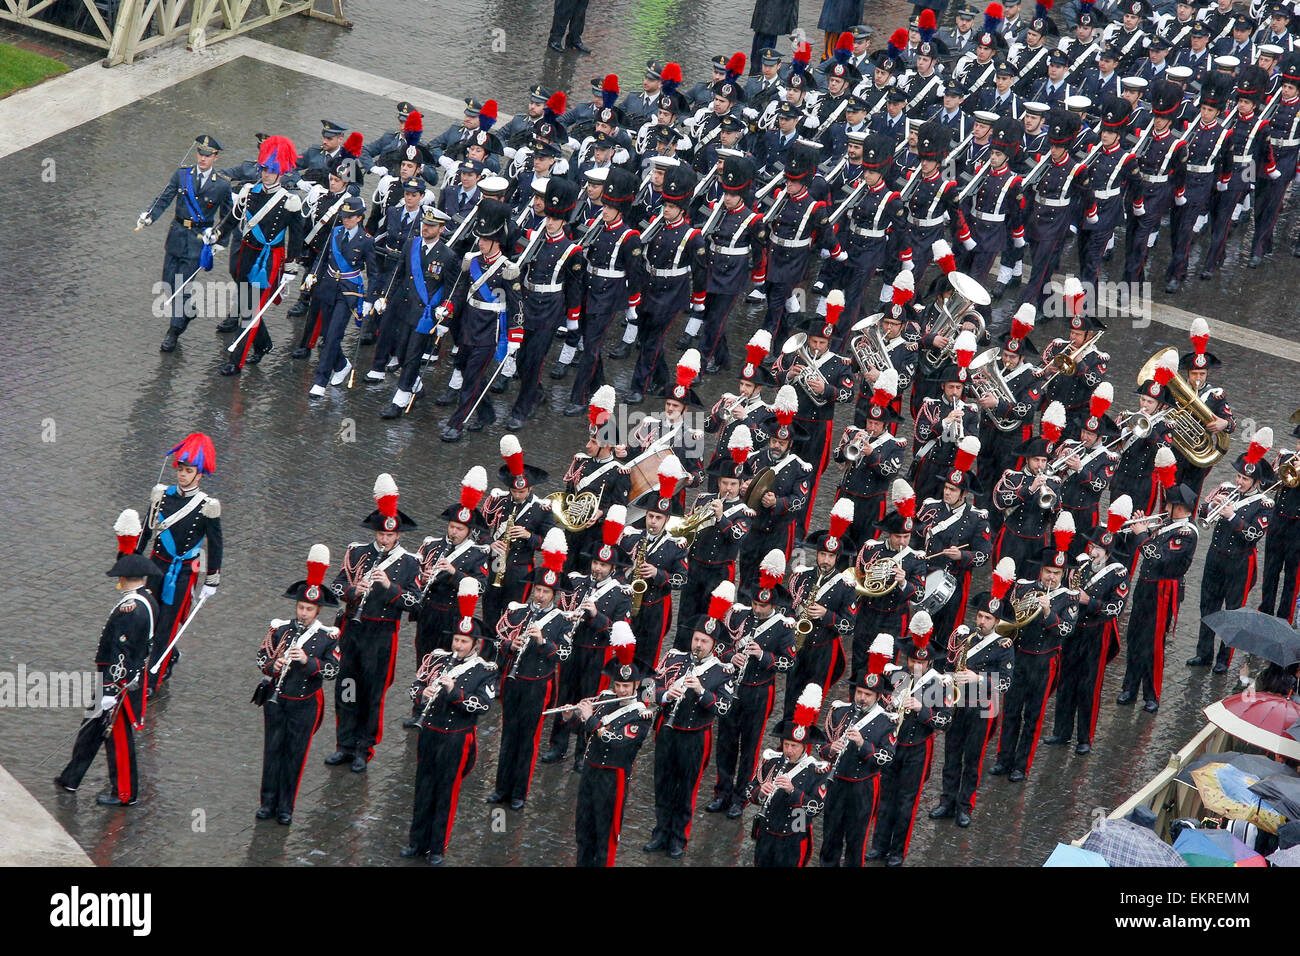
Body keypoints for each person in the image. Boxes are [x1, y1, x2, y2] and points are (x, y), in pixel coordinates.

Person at [324, 474, 423, 772]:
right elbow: (338, 585)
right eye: (381, 534)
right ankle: (343, 744)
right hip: (352, 630)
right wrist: (355, 591)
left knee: (372, 691)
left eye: (389, 536)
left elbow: (415, 601)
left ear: (398, 536)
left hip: (382, 635)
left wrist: (389, 587)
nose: (384, 539)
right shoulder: (357, 552)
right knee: (347, 687)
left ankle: (363, 749)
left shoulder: (408, 563)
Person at [55, 554, 158, 806]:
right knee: (91, 728)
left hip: (118, 682)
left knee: (118, 739)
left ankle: (124, 793)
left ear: (124, 579)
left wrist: (111, 689)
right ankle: (72, 777)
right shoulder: (148, 599)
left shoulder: (129, 610)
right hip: (122, 678)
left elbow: (120, 652)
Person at [402, 595, 498, 866]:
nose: (458, 645)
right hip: (430, 731)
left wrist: (453, 691)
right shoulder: (438, 660)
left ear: (475, 645)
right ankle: (416, 842)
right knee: (423, 787)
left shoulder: (484, 671)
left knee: (446, 790)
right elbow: (414, 687)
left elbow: (481, 705)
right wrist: (424, 694)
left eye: (464, 641)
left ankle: (437, 847)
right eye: (456, 639)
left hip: (456, 737)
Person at [252, 545, 341, 825]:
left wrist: (307, 661)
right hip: (277, 701)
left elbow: (332, 670)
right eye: (301, 608)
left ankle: (286, 807)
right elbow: (261, 656)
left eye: (309, 609)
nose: (303, 613)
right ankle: (267, 802)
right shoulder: (280, 630)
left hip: (305, 704)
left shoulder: (328, 638)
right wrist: (272, 666)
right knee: (273, 750)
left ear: (318, 611)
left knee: (295, 755)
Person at [707, 552, 797, 818]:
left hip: (759, 690)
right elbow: (719, 643)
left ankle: (741, 796)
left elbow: (789, 663)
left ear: (772, 606)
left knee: (749, 745)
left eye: (763, 607)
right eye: (756, 604)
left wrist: (763, 656)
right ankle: (721, 792)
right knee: (725, 741)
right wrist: (728, 656)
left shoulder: (783, 628)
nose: (758, 610)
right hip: (732, 686)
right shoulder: (737, 616)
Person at [542, 512, 633, 769]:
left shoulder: (620, 594)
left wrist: (596, 616)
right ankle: (557, 745)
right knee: (565, 697)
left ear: (612, 568)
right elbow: (560, 609)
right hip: (572, 649)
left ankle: (583, 752)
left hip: (596, 653)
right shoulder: (577, 583)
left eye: (603, 566)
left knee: (589, 701)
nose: (597, 568)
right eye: (595, 563)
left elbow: (620, 630)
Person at [490, 529, 573, 810]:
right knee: (508, 734)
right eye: (537, 590)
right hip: (513, 681)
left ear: (554, 594)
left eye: (546, 592)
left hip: (538, 683)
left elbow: (562, 654)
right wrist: (510, 646)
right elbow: (499, 638)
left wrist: (541, 641)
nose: (540, 595)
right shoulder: (519, 611)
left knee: (528, 738)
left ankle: (519, 792)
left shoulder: (562, 620)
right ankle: (501, 787)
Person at [646, 614, 737, 858]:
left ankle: (678, 838)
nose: (698, 645)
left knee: (686, 788)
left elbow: (724, 708)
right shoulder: (674, 657)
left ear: (714, 645)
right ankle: (660, 832)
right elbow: (648, 689)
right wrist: (665, 695)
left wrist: (701, 691)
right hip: (667, 731)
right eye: (696, 639)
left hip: (696, 736)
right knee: (662, 783)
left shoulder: (723, 671)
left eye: (704, 641)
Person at [211, 135, 304, 374]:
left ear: (281, 172)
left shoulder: (290, 201)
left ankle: (236, 362)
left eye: (272, 170)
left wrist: (291, 267)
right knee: (246, 305)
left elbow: (295, 237)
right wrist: (218, 233)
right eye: (264, 168)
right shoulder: (248, 192)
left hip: (269, 261)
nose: (266, 174)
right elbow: (233, 219)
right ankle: (263, 344)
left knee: (251, 310)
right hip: (246, 255)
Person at [138, 432, 223, 694]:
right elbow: (147, 531)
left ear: (199, 475)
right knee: (148, 618)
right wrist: (133, 558)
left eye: (189, 471)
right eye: (181, 469)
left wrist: (211, 579)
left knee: (167, 624)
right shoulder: (162, 495)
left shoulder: (207, 506)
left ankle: (152, 680)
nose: (183, 475)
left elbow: (216, 544)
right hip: (155, 566)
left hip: (183, 572)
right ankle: (163, 656)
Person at [138, 134, 233, 353]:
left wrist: (220, 239)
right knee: (168, 283)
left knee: (182, 286)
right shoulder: (182, 175)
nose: (202, 159)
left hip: (198, 240)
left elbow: (228, 217)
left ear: (215, 157)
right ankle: (188, 312)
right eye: (200, 153)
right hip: (176, 235)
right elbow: (165, 197)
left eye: (208, 155)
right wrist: (150, 216)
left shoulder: (221, 186)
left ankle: (173, 332)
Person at [868, 619, 951, 866]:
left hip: (917, 749)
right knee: (885, 797)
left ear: (928, 662)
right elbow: (875, 703)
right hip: (891, 745)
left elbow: (944, 721)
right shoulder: (894, 675)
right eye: (913, 661)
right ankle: (879, 845)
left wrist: (922, 709)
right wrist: (888, 704)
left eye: (921, 662)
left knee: (906, 802)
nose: (916, 666)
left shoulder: (939, 683)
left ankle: (897, 851)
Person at [572, 625, 654, 866]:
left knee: (605, 834)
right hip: (591, 769)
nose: (620, 690)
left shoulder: (641, 715)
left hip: (613, 777)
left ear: (635, 687)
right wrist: (573, 716)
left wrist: (591, 720)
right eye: (617, 684)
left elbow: (616, 740)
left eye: (626, 687)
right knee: (584, 829)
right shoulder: (606, 698)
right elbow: (584, 730)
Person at [1191, 432, 1274, 671]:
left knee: (1233, 612)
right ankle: (1203, 653)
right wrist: (1210, 506)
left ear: (1256, 482)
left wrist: (1232, 516)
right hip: (1215, 556)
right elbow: (1203, 515)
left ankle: (1223, 660)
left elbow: (1253, 535)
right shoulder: (1226, 489)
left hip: (1240, 562)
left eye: (1245, 479)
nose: (1239, 482)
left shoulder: (1264, 504)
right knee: (1208, 606)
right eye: (1238, 476)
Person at [931, 592, 1014, 828]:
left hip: (982, 707)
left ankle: (965, 806)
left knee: (973, 759)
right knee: (951, 755)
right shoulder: (965, 638)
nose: (982, 621)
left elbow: (1006, 682)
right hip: (958, 705)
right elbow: (948, 666)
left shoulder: (1004, 645)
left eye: (988, 618)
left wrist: (978, 678)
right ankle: (946, 801)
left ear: (997, 622)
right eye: (980, 616)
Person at [1045, 525, 1128, 754]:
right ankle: (1061, 732)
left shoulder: (1118, 572)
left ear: (1108, 552)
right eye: (1092, 545)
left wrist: (1088, 601)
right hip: (1073, 630)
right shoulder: (1080, 564)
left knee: (1089, 686)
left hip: (1096, 633)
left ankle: (1084, 739)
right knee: (1066, 679)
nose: (1094, 551)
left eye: (1099, 548)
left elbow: (1116, 607)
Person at [1117, 484, 1199, 711]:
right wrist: (1144, 527)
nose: (1164, 507)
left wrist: (1142, 533)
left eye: (1169, 504)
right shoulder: (1168, 525)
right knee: (1134, 638)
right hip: (1146, 587)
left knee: (1153, 644)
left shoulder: (1186, 533)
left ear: (1179, 508)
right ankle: (1129, 688)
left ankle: (1151, 695)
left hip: (1163, 592)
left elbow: (1159, 558)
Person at [817, 642, 897, 866]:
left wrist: (862, 744)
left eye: (868, 694)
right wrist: (830, 749)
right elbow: (820, 746)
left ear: (878, 696)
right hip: (836, 783)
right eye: (859, 692)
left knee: (856, 840)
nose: (862, 698)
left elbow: (886, 758)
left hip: (862, 787)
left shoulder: (887, 722)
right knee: (830, 835)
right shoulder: (840, 711)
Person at [744, 683, 832, 867]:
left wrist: (792, 791)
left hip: (794, 835)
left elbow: (815, 808)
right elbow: (749, 790)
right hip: (767, 832)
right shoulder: (772, 761)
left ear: (804, 746)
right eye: (786, 745)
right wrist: (761, 792)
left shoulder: (816, 770)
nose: (789, 750)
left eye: (794, 746)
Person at [303, 194, 381, 397]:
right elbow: (322, 256)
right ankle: (341, 364)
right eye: (344, 216)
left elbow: (374, 273)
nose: (345, 219)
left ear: (359, 218)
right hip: (328, 286)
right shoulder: (335, 232)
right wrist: (313, 273)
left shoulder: (366, 241)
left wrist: (370, 300)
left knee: (333, 336)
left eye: (350, 216)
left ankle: (321, 380)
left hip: (349, 291)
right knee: (326, 333)